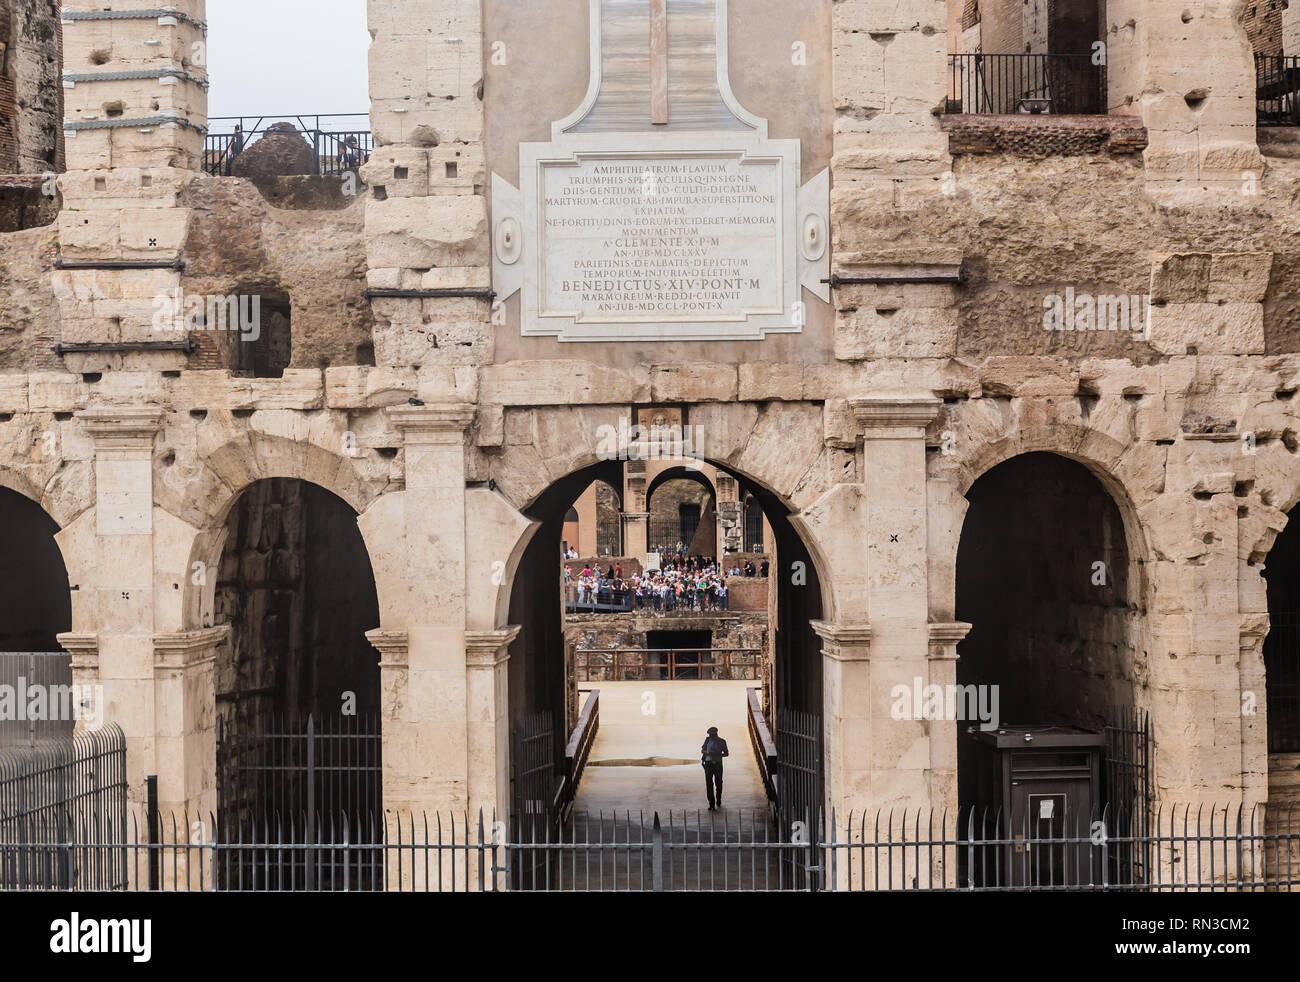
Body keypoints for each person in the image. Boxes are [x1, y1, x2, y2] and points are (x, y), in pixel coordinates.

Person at [701, 726, 729, 810]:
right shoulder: (707, 740)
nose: (711, 737)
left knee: (719, 783)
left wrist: (717, 755)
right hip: (708, 764)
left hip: (718, 764)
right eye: (710, 735)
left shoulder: (722, 741)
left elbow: (726, 753)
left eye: (712, 735)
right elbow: (702, 750)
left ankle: (718, 799)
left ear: (716, 734)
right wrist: (708, 753)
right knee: (709, 784)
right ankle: (711, 804)